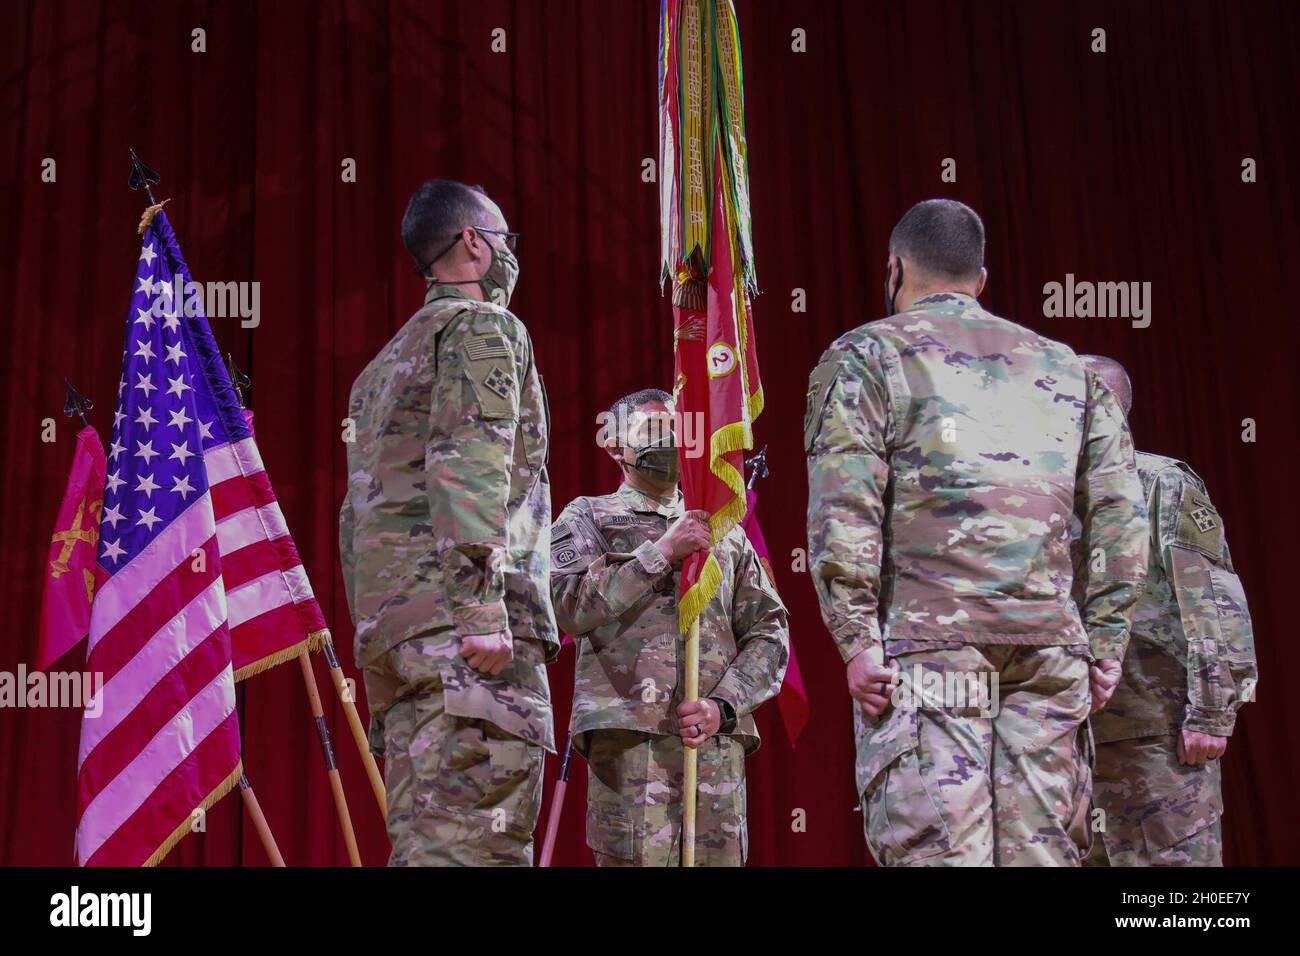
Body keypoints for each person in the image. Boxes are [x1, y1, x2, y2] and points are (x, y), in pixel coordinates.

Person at [804, 199, 1148, 866]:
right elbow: (1120, 512)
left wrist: (854, 639)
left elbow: (844, 504)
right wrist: (1105, 641)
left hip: (931, 647)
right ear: (981, 278)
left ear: (895, 267)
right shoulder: (1068, 367)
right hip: (1049, 651)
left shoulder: (866, 355)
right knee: (1044, 856)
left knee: (940, 855)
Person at [339, 179, 557, 865]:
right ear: (473, 243)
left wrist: (376, 635)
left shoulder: (378, 370)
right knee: (478, 849)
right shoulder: (484, 327)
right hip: (464, 641)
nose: (508, 255)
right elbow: (470, 463)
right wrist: (482, 612)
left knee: (427, 848)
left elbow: (355, 518)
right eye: (505, 241)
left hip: (397, 640)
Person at [550, 388, 789, 865]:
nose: (671, 440)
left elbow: (770, 631)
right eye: (653, 430)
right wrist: (658, 554)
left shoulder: (725, 530)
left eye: (679, 430)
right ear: (616, 446)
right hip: (632, 741)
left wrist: (724, 705)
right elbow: (564, 606)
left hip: (714, 745)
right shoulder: (588, 516)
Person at [1078, 355, 1257, 867]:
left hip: (1156, 735)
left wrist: (1211, 712)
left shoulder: (1160, 483)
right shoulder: (1049, 496)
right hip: (1074, 737)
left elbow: (1213, 598)